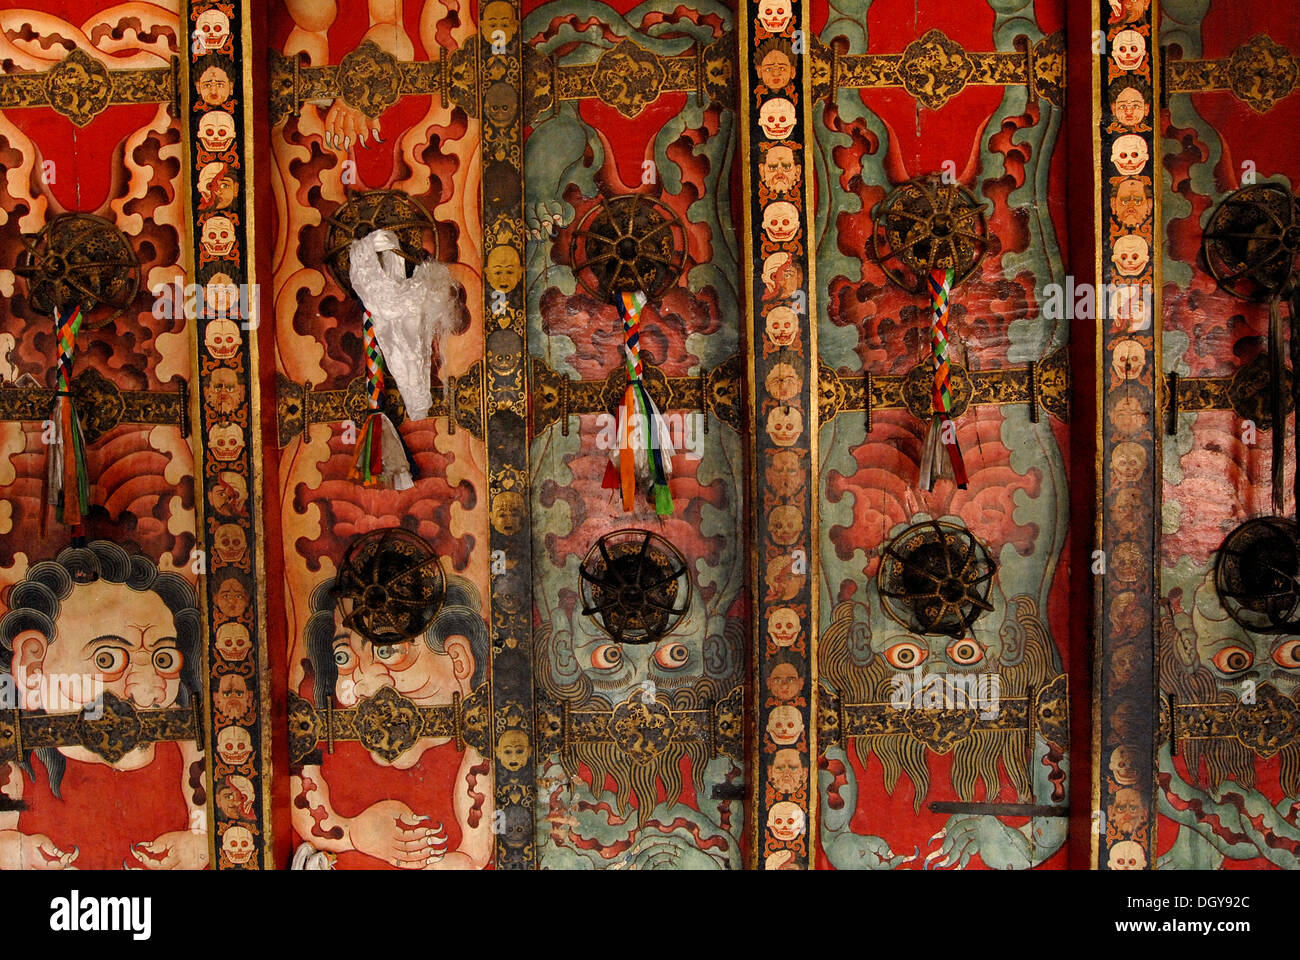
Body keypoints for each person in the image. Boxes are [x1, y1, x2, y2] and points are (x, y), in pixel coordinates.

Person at [291, 534, 493, 869]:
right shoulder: (317, 722)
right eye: (344, 657)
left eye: (388, 652)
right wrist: (355, 833)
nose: (365, 680)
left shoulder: (481, 735)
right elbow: (306, 808)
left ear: (458, 660)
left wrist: (465, 859)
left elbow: (476, 848)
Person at [0, 541, 206, 869]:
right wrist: (14, 851)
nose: (147, 692)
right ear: (33, 666)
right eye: (107, 658)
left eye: (163, 659)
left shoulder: (188, 752)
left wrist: (198, 843)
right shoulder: (13, 758)